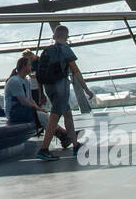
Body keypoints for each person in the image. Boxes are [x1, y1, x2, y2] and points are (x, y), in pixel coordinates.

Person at [34, 25, 93, 161]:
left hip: (49, 88)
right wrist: (86, 89)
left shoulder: (46, 51)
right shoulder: (65, 50)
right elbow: (75, 70)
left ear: (54, 36)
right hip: (61, 88)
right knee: (54, 118)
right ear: (66, 36)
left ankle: (76, 145)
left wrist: (41, 93)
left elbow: (38, 74)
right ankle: (44, 149)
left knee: (67, 114)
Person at [4, 57, 40, 130]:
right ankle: (62, 133)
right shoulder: (15, 81)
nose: (31, 67)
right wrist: (36, 109)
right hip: (14, 113)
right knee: (41, 116)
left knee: (42, 115)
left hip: (23, 110)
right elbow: (23, 101)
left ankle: (62, 134)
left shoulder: (26, 81)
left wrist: (38, 108)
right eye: (29, 65)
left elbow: (30, 99)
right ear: (24, 66)